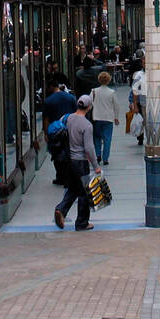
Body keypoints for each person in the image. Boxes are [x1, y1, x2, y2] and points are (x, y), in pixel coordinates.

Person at [54, 96, 102, 231]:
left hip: (69, 161)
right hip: (81, 162)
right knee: (85, 193)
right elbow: (89, 148)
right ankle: (82, 222)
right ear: (89, 107)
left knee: (73, 189)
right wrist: (96, 166)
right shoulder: (87, 125)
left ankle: (61, 210)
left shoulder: (67, 118)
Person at [43, 76, 77, 184]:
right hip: (69, 129)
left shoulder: (48, 101)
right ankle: (68, 176)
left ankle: (60, 176)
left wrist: (46, 133)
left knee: (57, 155)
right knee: (69, 153)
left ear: (51, 87)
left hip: (55, 131)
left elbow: (46, 119)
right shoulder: (70, 97)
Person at [90, 70, 118, 165]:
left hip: (96, 117)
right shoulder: (111, 92)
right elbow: (116, 106)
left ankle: (98, 155)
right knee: (107, 139)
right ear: (108, 80)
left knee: (97, 137)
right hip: (108, 118)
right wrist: (116, 117)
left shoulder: (94, 91)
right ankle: (106, 158)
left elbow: (89, 103)